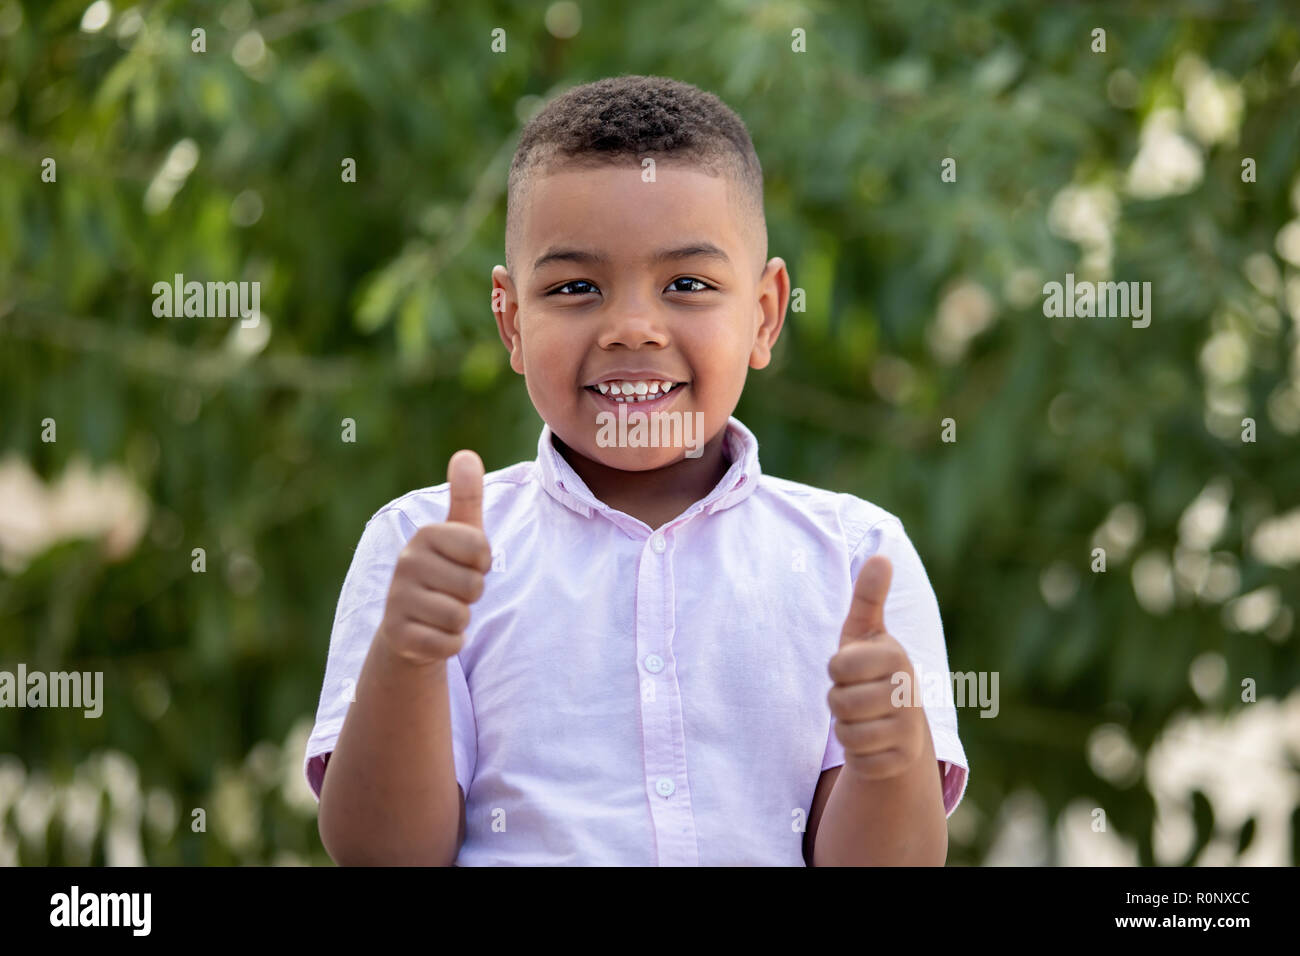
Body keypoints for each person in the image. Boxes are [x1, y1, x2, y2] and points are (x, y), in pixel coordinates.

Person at [304, 74, 968, 865]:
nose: (631, 328)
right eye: (576, 287)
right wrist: (408, 657)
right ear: (512, 321)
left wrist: (887, 756)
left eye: (687, 284)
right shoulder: (425, 549)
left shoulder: (858, 559)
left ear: (764, 314)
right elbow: (383, 855)